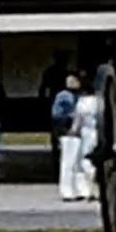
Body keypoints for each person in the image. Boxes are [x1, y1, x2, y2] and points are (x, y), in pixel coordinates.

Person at [71, 77, 101, 201]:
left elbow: (78, 120)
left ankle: (90, 187)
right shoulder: (99, 102)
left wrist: (73, 131)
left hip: (86, 132)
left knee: (85, 160)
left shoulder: (82, 103)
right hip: (98, 131)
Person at [54, 73, 82, 201]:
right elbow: (57, 115)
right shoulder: (64, 96)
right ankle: (66, 190)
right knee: (68, 161)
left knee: (77, 161)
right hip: (67, 131)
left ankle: (77, 188)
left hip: (78, 131)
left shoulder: (79, 96)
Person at [39, 51, 71, 155]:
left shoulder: (49, 71)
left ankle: (56, 146)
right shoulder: (65, 73)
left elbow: (43, 88)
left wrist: (43, 100)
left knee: (56, 124)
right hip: (63, 100)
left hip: (54, 99)